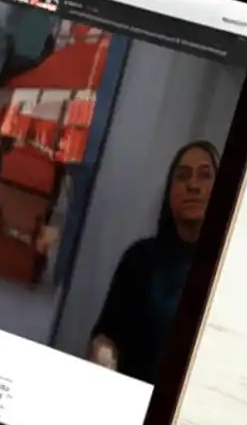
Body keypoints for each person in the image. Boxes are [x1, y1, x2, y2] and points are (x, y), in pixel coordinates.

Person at [89, 140, 220, 383]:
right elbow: (106, 335)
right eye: (182, 176)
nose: (193, 185)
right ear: (170, 192)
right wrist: (103, 358)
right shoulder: (139, 259)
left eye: (204, 176)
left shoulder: (228, 270)